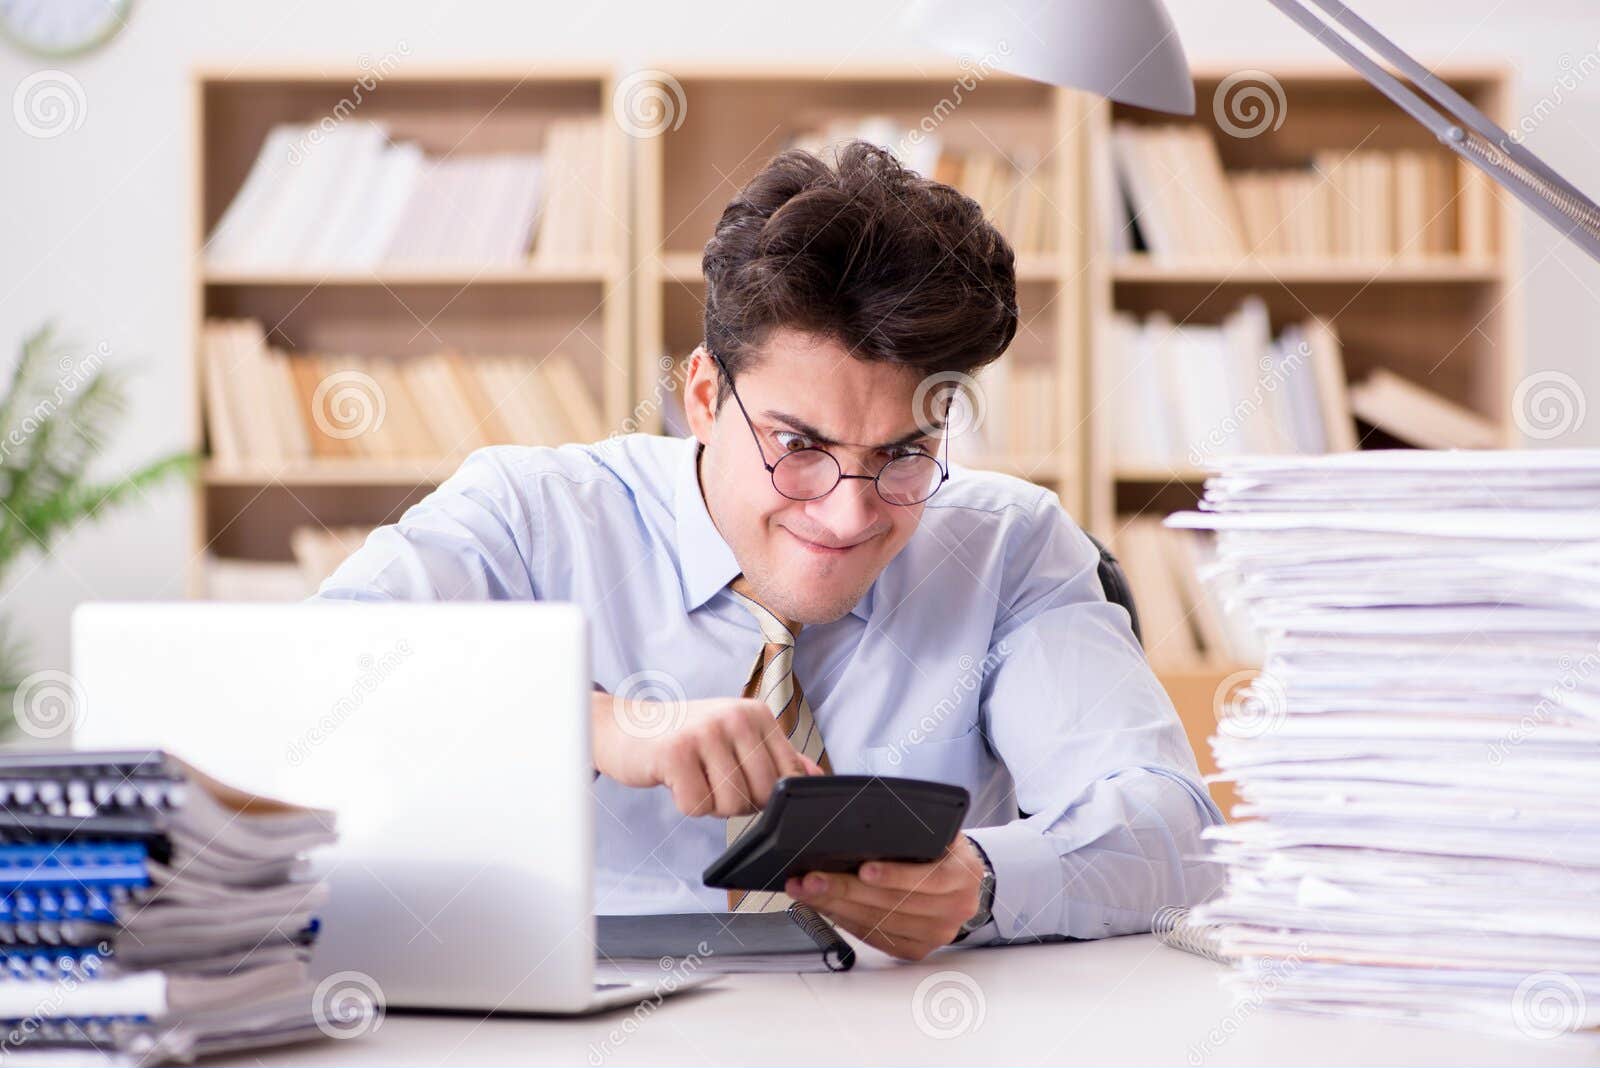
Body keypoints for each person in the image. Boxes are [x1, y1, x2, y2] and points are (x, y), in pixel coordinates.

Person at [316, 141, 1221, 960]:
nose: (845, 514)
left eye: (904, 455)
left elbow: (1175, 830)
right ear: (703, 397)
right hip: (572, 1037)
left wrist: (982, 881)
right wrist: (598, 721)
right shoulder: (530, 514)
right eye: (798, 447)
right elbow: (303, 691)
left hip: (905, 1045)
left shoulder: (1009, 546)